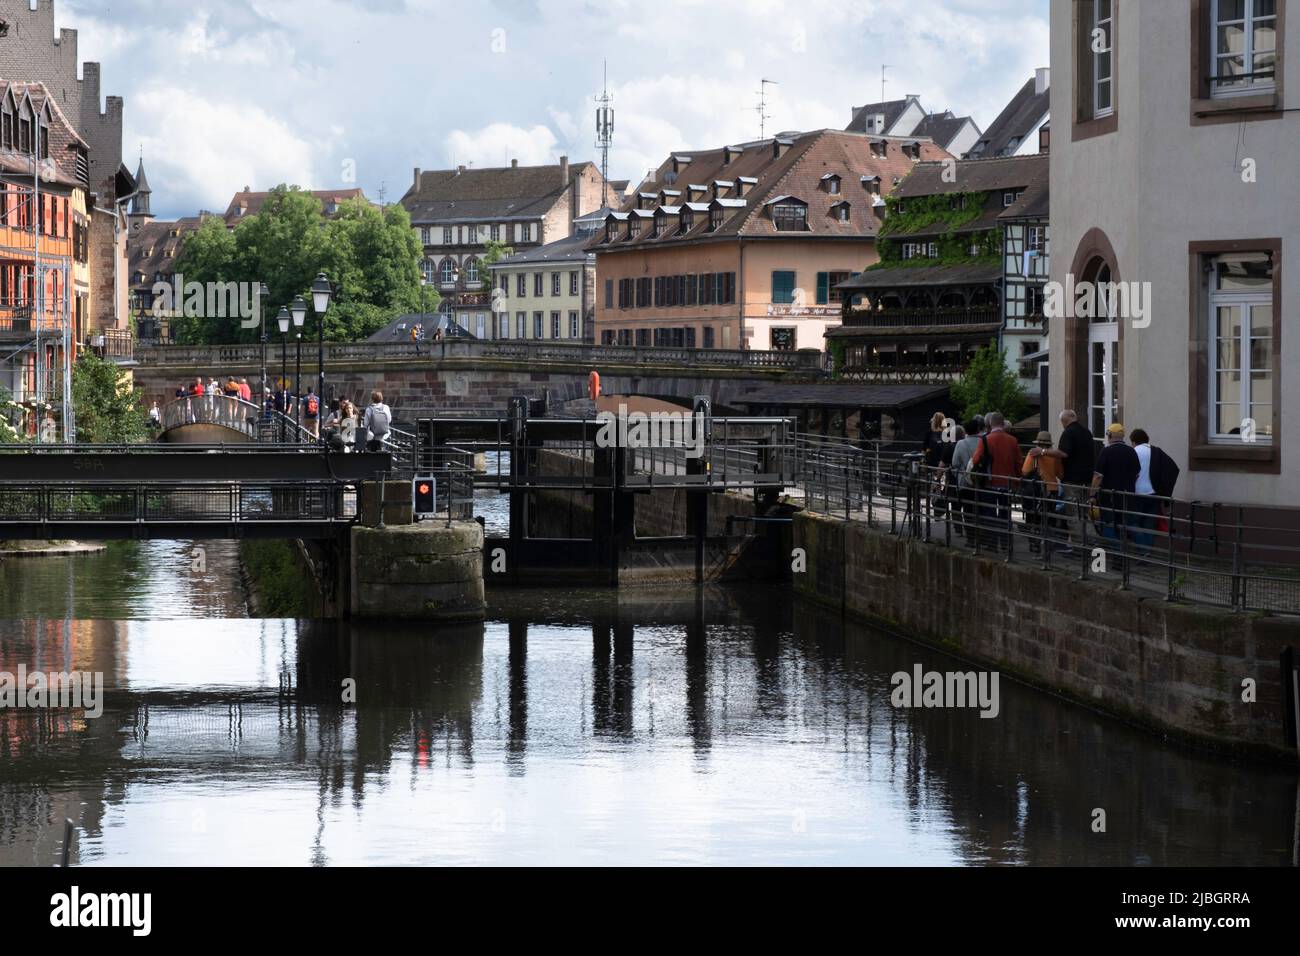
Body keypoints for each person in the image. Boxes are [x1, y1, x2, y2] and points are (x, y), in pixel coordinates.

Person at [1038, 410, 1095, 549]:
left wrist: (1043, 451)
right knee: (1084, 513)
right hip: (1087, 479)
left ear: (1064, 421)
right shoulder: (1087, 432)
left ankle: (1079, 546)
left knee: (1073, 514)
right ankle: (1092, 542)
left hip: (1072, 480)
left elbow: (1063, 453)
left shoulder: (1068, 433)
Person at [968, 411, 1023, 550]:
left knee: (990, 514)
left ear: (990, 424)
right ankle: (1006, 543)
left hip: (989, 482)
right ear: (1003, 423)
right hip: (1008, 483)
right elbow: (1019, 463)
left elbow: (975, 460)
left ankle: (992, 544)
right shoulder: (1012, 440)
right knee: (1006, 514)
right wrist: (1017, 481)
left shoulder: (986, 440)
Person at [1090, 423, 1141, 545]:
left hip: (1109, 497)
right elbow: (1137, 473)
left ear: (1109, 435)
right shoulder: (1131, 451)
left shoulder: (1106, 451)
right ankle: (1136, 551)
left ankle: (1117, 552)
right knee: (1126, 525)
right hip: (1127, 496)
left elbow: (1098, 476)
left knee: (1108, 525)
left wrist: (1092, 495)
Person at [1023, 430, 1064, 551]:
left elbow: (1025, 471)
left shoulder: (1032, 454)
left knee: (1033, 517)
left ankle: (1034, 544)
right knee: (1049, 518)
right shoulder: (1055, 457)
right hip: (1051, 490)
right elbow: (1060, 474)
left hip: (1036, 490)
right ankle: (1047, 543)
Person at [950, 418, 984, 546]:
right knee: (980, 509)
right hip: (981, 482)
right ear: (978, 429)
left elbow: (954, 463)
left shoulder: (961, 444)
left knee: (968, 510)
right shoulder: (983, 442)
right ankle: (982, 537)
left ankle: (971, 539)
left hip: (965, 483)